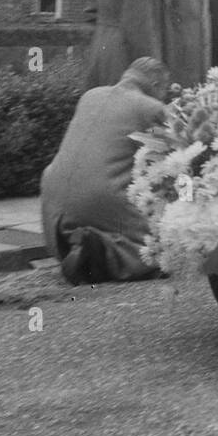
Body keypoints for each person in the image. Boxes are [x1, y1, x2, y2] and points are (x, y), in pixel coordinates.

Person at [40, 58, 170, 285]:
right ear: (156, 84)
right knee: (159, 249)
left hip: (53, 200)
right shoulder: (152, 108)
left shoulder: (90, 96)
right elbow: (166, 164)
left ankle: (78, 245)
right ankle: (101, 253)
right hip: (101, 197)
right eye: (164, 90)